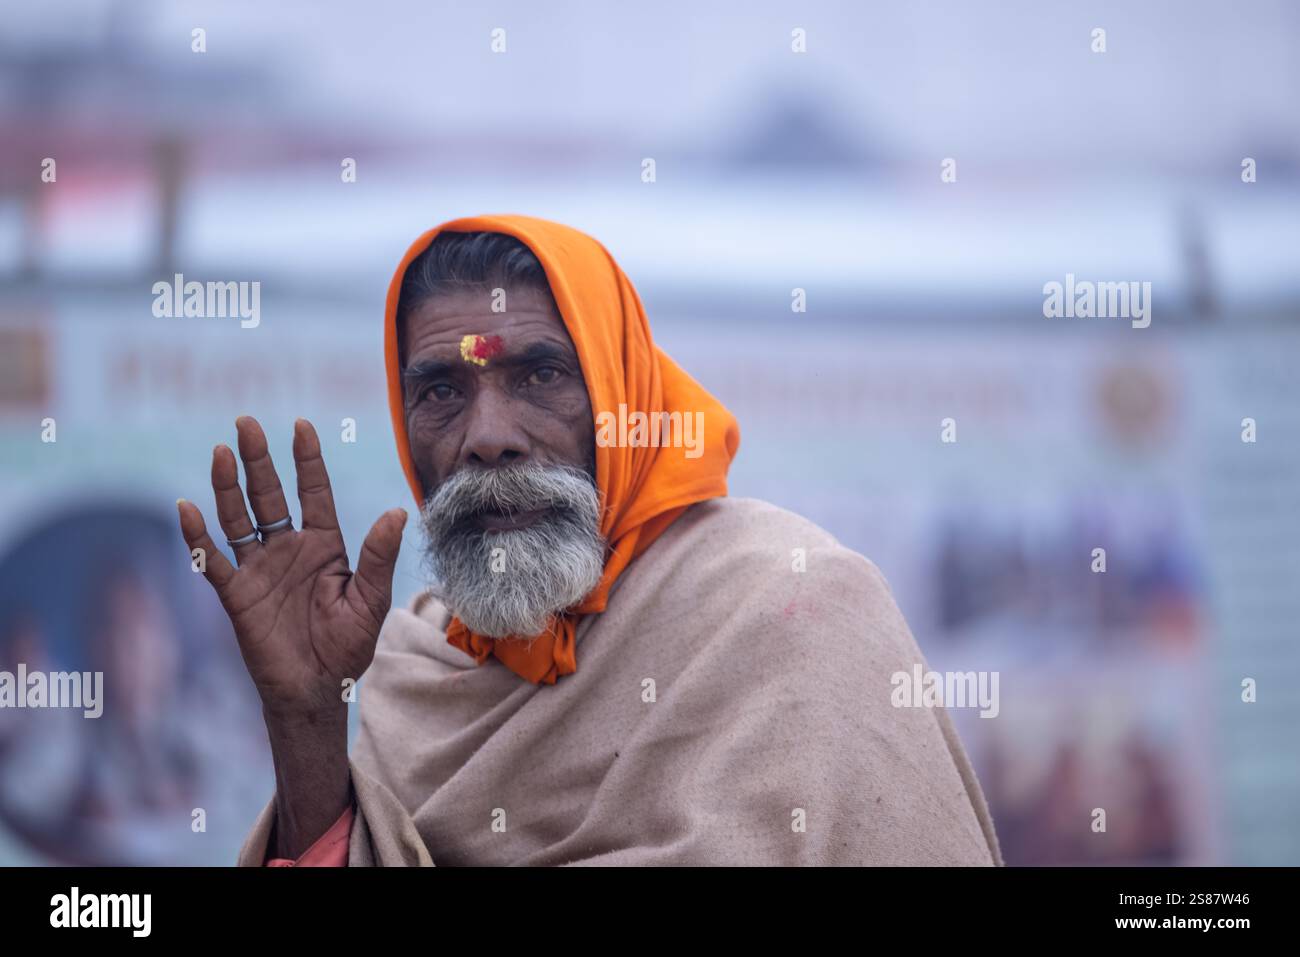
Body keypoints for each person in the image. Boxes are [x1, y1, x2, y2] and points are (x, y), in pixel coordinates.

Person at [176, 214, 1002, 866]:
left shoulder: (795, 606)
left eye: (540, 376)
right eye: (441, 390)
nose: (487, 437)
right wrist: (307, 717)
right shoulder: (413, 665)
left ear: (621, 395)